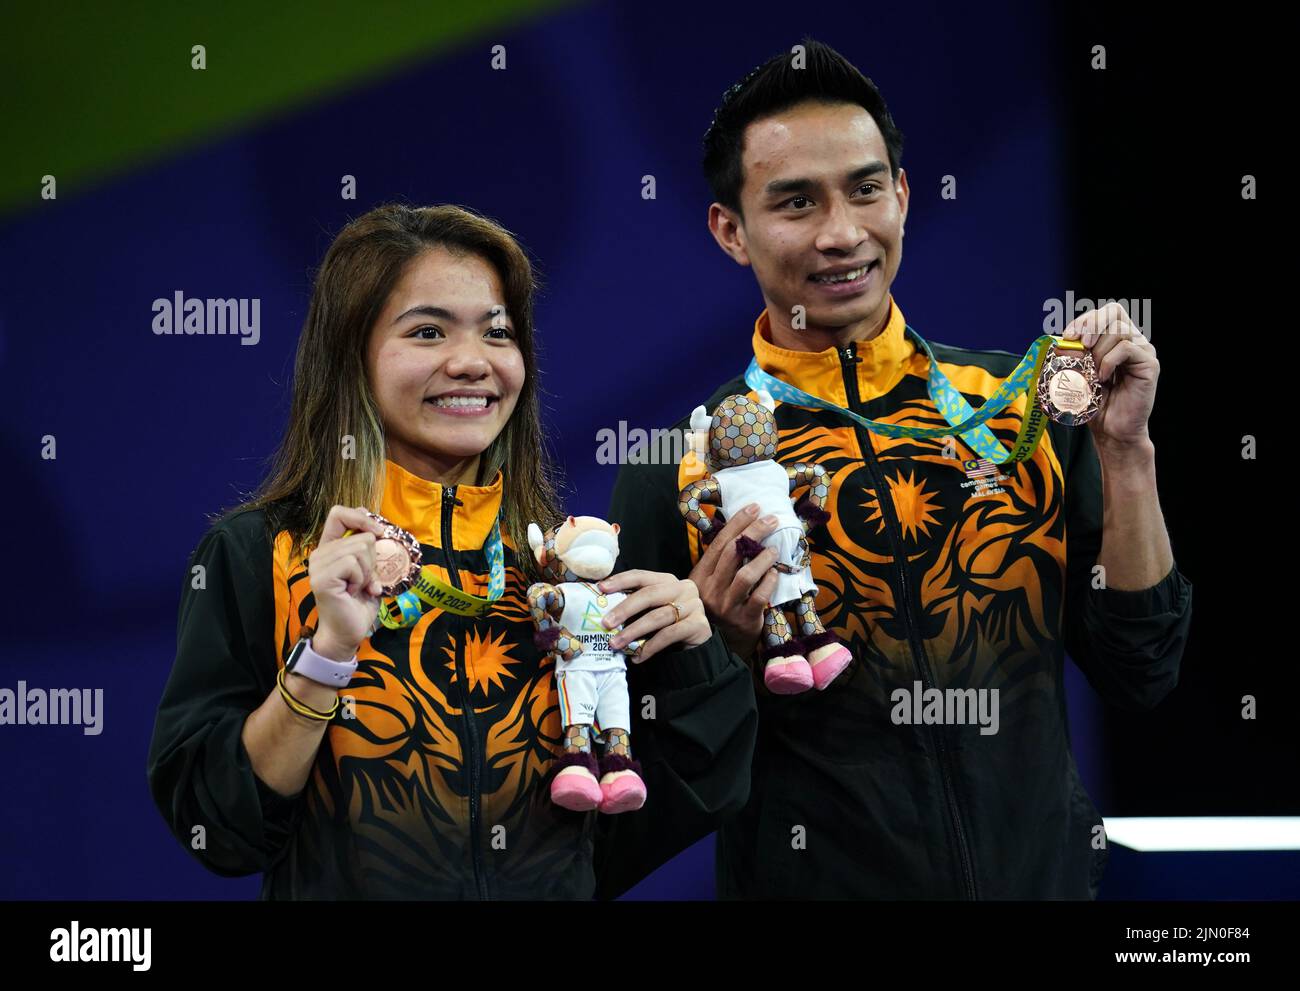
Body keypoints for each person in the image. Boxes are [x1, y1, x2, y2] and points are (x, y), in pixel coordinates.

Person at [607, 40, 1193, 899]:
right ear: (730, 230)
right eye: (796, 202)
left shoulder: (1020, 409)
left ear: (905, 196)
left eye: (866, 187)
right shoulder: (681, 467)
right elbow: (645, 776)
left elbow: (1143, 670)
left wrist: (1127, 454)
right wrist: (722, 655)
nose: (843, 233)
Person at [147, 203, 757, 900]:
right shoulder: (266, 553)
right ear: (352, 354)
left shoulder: (556, 567)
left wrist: (697, 651)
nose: (471, 362)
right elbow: (214, 827)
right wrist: (324, 656)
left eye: (497, 333)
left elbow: (657, 814)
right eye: (428, 331)